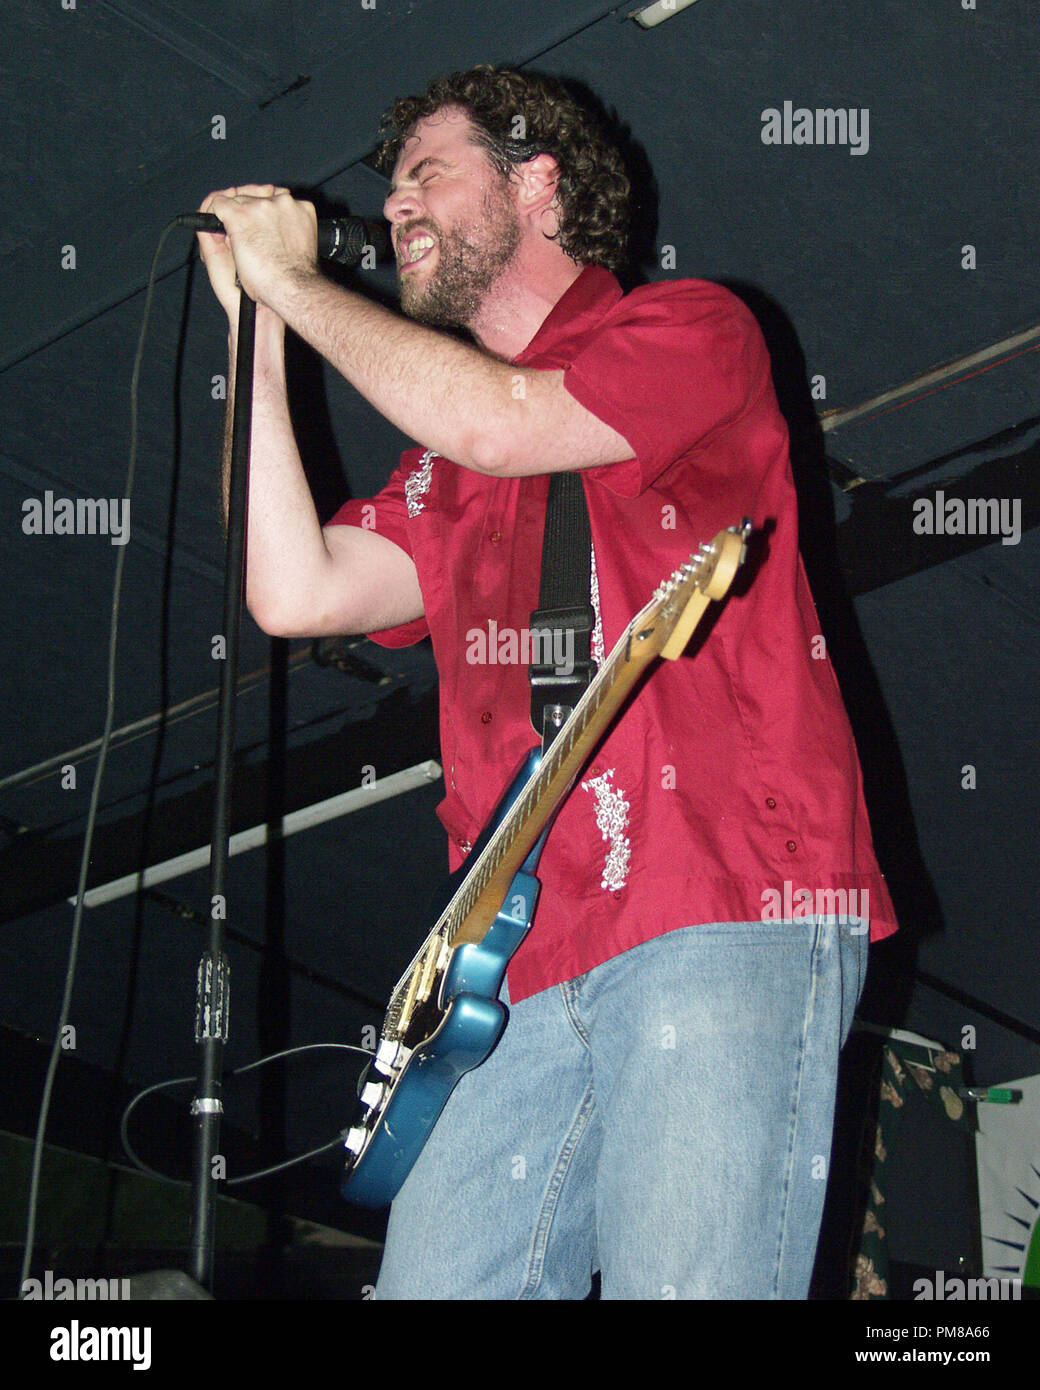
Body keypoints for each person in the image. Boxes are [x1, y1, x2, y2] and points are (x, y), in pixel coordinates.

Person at [197, 65, 898, 1300]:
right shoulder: (438, 468)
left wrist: (300, 283)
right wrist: (256, 327)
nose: (395, 205)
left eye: (428, 172)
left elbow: (508, 423)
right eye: (394, 185)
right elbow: (292, 591)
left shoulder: (693, 328)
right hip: (505, 961)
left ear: (536, 183)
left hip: (713, 900)